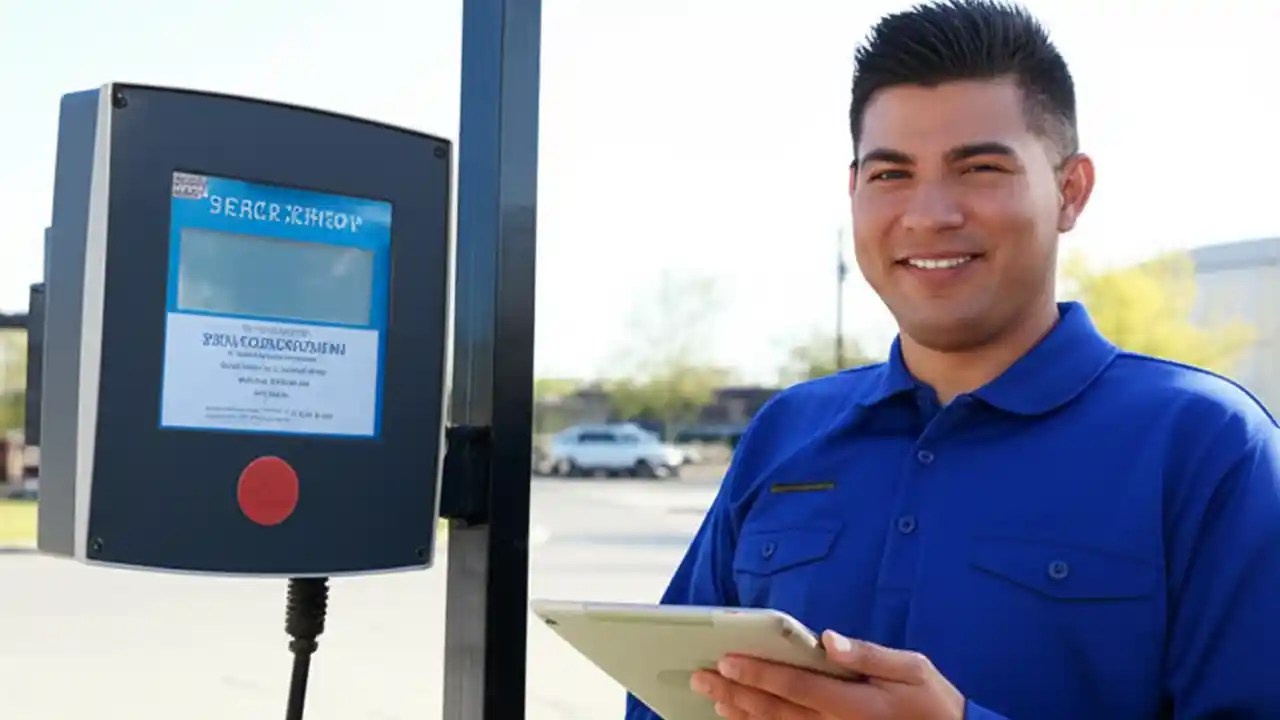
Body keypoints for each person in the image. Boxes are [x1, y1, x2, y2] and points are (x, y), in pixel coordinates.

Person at [623, 1, 1280, 718]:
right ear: (854, 192)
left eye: (980, 168)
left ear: (1071, 190)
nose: (929, 214)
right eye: (890, 175)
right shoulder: (788, 432)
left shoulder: (1207, 448)